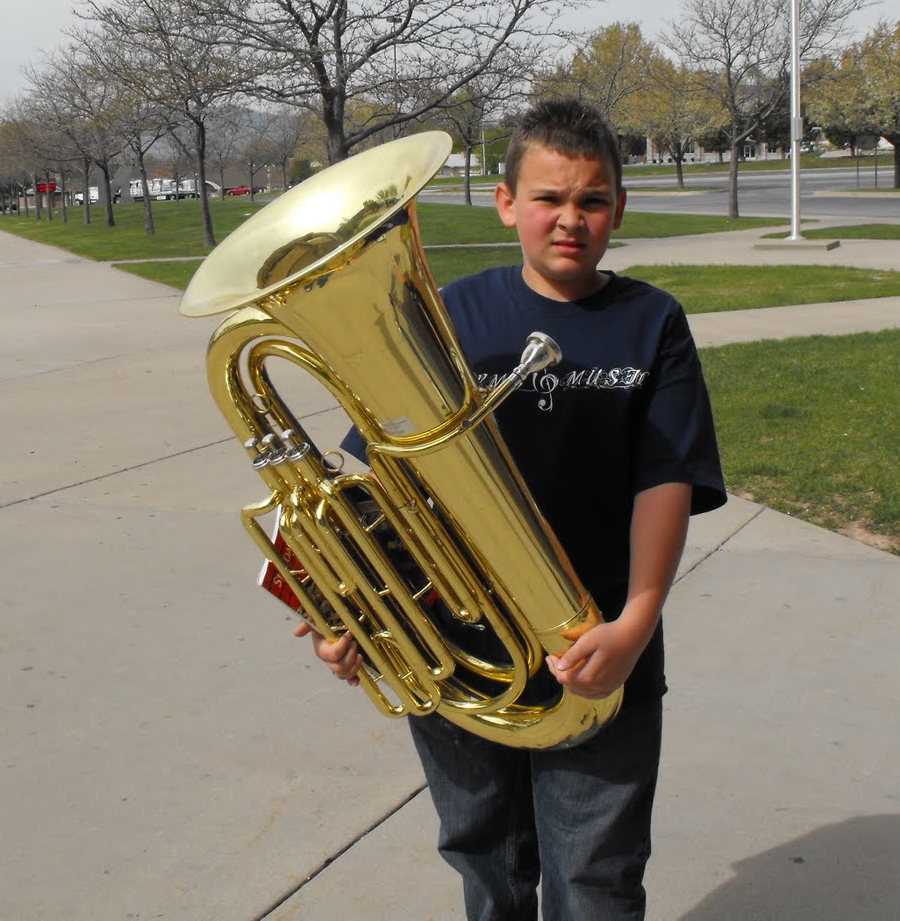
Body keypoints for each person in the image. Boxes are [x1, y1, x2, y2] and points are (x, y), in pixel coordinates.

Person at [295, 96, 726, 919]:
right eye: (549, 198)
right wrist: (344, 611)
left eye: (592, 200)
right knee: (484, 860)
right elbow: (379, 483)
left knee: (596, 877)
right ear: (506, 204)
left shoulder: (652, 322)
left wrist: (635, 623)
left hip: (595, 644)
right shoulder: (453, 314)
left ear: (619, 210)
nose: (571, 220)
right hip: (455, 649)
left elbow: (664, 483)